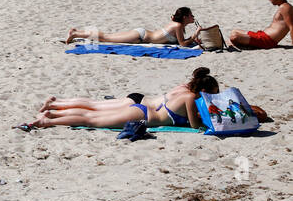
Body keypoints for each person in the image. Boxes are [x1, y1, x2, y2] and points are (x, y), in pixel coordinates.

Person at [22, 68, 269, 130]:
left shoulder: (184, 88)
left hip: (142, 103)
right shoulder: (192, 99)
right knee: (93, 119)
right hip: (146, 115)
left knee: (93, 108)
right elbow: (195, 125)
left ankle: (55, 107)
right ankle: (48, 120)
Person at [64, 7, 200, 46]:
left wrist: (192, 39)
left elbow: (181, 41)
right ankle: (76, 34)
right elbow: (182, 44)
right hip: (140, 36)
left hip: (141, 34)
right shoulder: (177, 26)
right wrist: (195, 36)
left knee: (107, 36)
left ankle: (77, 31)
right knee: (105, 38)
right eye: (190, 15)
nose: (193, 17)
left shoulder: (178, 25)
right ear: (184, 17)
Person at [229, 0, 293, 49]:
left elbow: (291, 26)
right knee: (234, 31)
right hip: (262, 35)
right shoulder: (284, 6)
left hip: (266, 41)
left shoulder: (285, 7)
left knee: (234, 37)